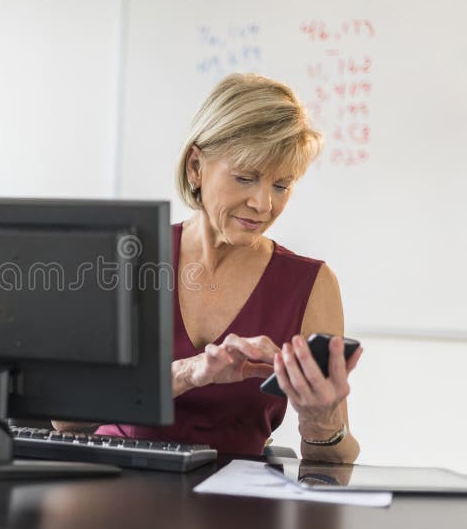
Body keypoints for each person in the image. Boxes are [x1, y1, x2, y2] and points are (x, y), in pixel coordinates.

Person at [54, 73, 362, 463]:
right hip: (114, 489)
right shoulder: (126, 256)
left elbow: (337, 461)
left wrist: (322, 424)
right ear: (196, 166)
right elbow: (66, 421)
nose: (264, 204)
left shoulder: (311, 284)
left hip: (237, 507)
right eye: (245, 178)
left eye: (281, 186)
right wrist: (187, 374)